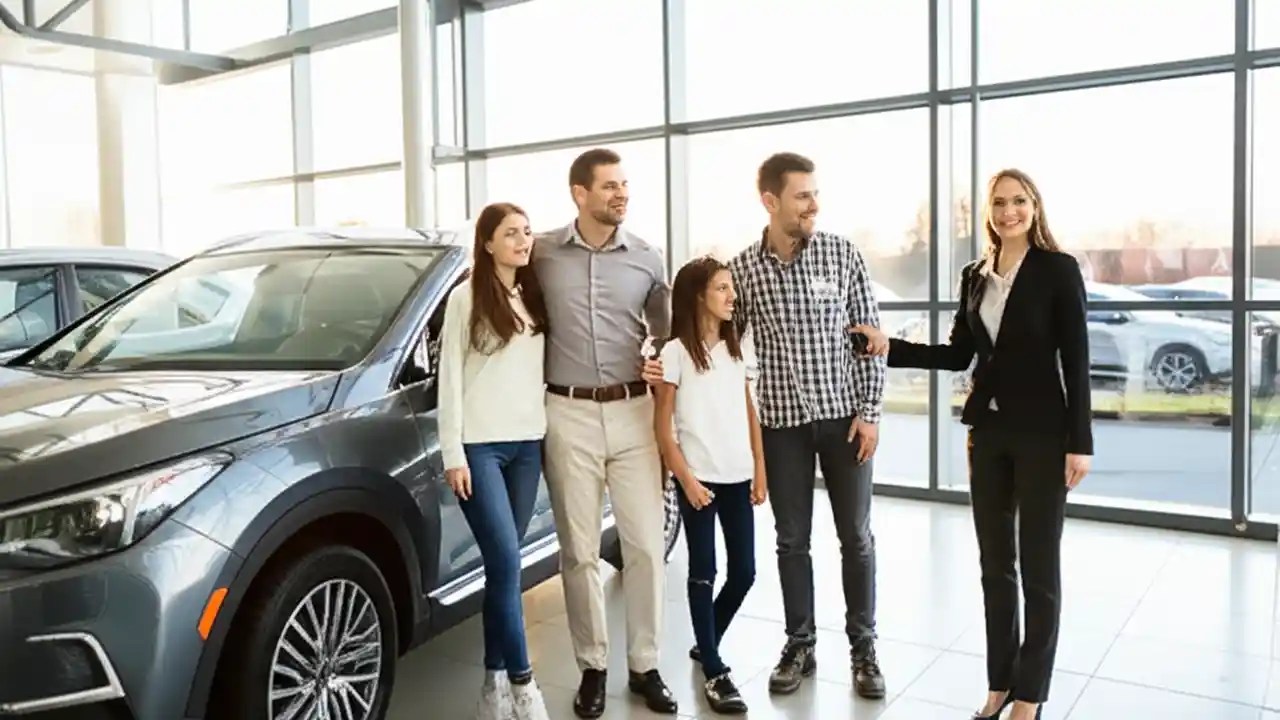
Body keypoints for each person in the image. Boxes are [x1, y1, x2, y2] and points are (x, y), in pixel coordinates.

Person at [646, 151, 888, 699]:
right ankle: (799, 642)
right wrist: (659, 363)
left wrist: (869, 413)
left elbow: (872, 339)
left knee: (856, 537)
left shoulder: (841, 254)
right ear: (771, 201)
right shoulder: (745, 271)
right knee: (790, 540)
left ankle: (863, 646)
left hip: (843, 419)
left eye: (815, 194)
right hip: (780, 427)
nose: (814, 205)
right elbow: (717, 340)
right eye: (803, 195)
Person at [853, 168, 1092, 720]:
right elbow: (960, 354)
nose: (1009, 212)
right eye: (999, 203)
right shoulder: (975, 276)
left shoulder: (1058, 270)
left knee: (1039, 567)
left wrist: (1080, 441)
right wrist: (892, 347)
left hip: (1044, 434)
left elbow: (1077, 361)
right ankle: (999, 684)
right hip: (987, 434)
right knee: (994, 566)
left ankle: (1029, 696)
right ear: (988, 212)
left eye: (1019, 201)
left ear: (1035, 206)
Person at [532, 148, 678, 718]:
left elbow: (668, 338)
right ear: (579, 193)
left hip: (632, 412)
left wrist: (663, 370)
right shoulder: (541, 252)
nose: (621, 194)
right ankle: (593, 666)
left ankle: (645, 665)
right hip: (565, 413)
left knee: (644, 544)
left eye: (624, 185)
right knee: (579, 550)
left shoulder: (648, 257)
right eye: (609, 186)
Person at [438, 202, 553, 720]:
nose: (522, 241)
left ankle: (492, 685)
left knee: (502, 572)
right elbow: (451, 381)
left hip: (529, 445)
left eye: (527, 233)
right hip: (480, 449)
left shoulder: (534, 295)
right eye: (511, 234)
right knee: (506, 561)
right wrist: (453, 453)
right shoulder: (465, 298)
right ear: (487, 243)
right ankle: (524, 686)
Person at [652, 255, 767, 714]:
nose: (732, 296)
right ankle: (715, 672)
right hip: (697, 478)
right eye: (722, 288)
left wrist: (760, 467)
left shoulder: (740, 347)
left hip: (738, 476)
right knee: (703, 571)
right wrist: (687, 480)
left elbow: (749, 411)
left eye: (731, 288)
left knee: (745, 572)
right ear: (699, 295)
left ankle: (706, 639)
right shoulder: (675, 353)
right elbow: (664, 431)